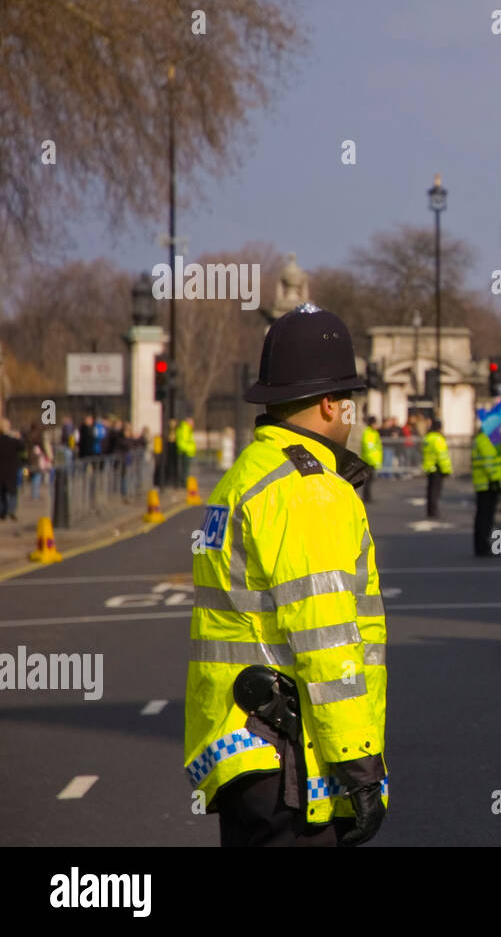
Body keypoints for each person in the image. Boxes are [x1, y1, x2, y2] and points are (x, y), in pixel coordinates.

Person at [184, 303, 389, 847]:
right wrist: (360, 765)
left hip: (241, 747)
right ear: (328, 404)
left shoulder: (247, 475)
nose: (354, 417)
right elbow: (325, 635)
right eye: (351, 403)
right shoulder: (309, 491)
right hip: (290, 758)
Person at [471, 425, 501, 556]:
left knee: (482, 516)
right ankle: (483, 546)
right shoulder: (486, 440)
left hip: (484, 483)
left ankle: (481, 546)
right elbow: (489, 462)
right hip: (489, 484)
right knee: (486, 517)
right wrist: (495, 479)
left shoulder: (480, 439)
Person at [421, 418, 452, 518]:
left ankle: (430, 510)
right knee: (436, 490)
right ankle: (434, 511)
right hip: (438, 468)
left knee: (430, 490)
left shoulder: (427, 438)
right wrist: (446, 470)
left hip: (429, 466)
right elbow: (442, 456)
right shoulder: (438, 439)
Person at [0, 419, 25, 520]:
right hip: (11, 469)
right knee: (12, 491)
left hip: (1, 469)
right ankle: (11, 510)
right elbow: (22, 447)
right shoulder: (13, 440)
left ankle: (2, 512)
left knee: (1, 492)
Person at [360, 416, 383, 503]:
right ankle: (367, 497)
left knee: (370, 480)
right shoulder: (368, 433)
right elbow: (369, 447)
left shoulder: (374, 433)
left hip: (372, 460)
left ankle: (368, 496)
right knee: (368, 480)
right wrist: (372, 460)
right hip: (369, 460)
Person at [176, 415, 197, 486]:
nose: (193, 424)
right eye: (192, 422)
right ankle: (183, 483)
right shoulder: (185, 428)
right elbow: (183, 441)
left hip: (187, 451)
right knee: (185, 470)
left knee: (185, 470)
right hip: (185, 452)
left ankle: (183, 483)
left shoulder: (187, 429)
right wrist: (186, 449)